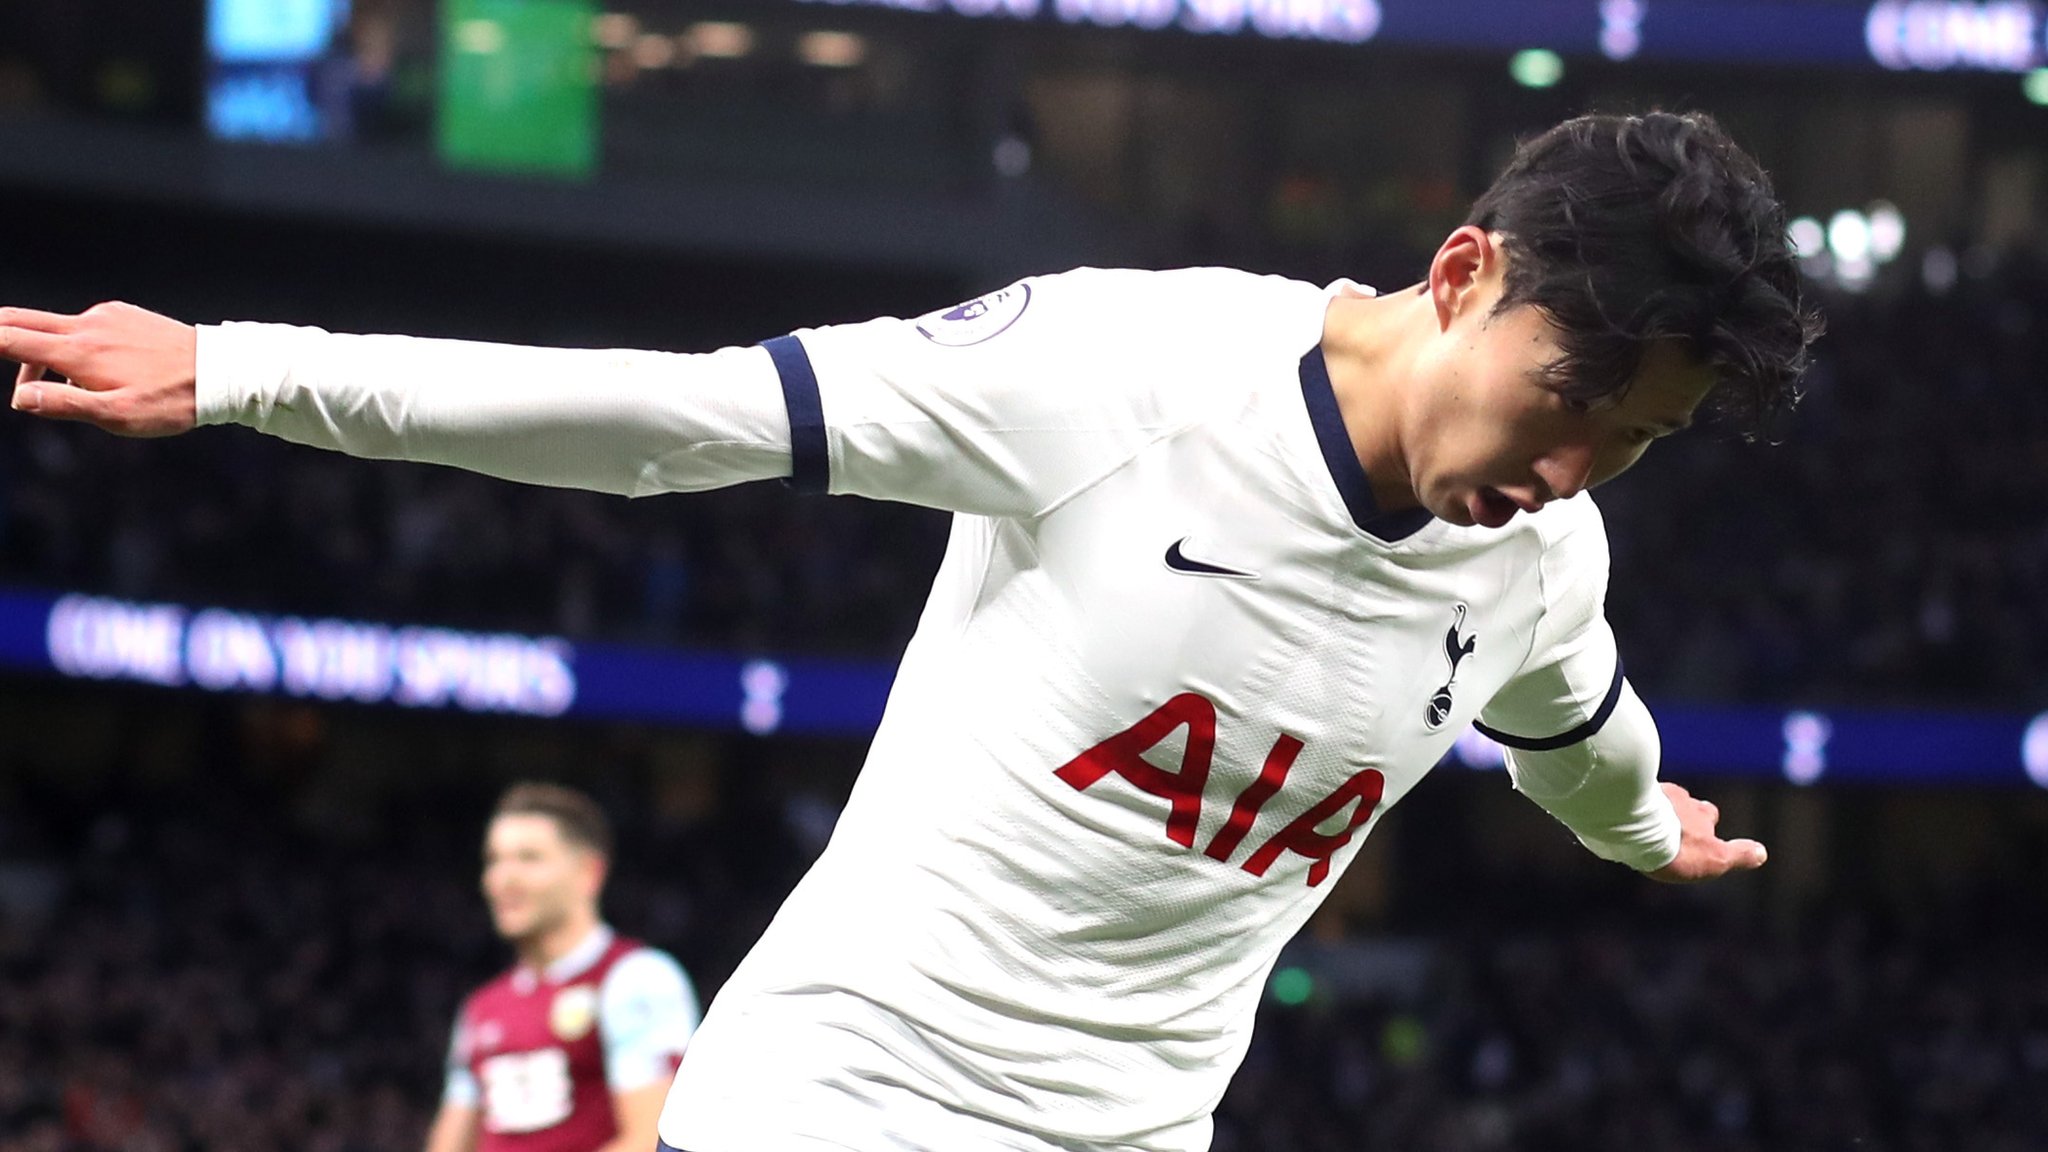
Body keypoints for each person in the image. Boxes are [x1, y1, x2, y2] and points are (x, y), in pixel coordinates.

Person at [2, 110, 1820, 1152]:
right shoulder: (1124, 369)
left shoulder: (1538, 562)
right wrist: (247, 368)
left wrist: (1640, 831)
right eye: (1565, 399)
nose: (1569, 467)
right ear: (1461, 275)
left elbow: (1585, 733)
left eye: (1632, 442)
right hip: (845, 1095)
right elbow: (678, 419)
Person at [422, 783, 701, 1152]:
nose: (503, 878)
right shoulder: (481, 1008)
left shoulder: (636, 978)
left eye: (529, 858)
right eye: (494, 860)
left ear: (589, 872)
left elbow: (650, 1139)